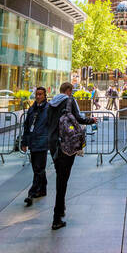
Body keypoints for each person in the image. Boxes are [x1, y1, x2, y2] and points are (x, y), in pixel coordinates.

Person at [45, 82, 87, 230]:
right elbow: (78, 119)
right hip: (66, 144)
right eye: (72, 90)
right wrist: (91, 120)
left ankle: (61, 208)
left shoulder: (51, 103)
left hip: (53, 143)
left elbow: (47, 123)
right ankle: (57, 217)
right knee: (63, 179)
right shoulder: (69, 100)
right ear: (68, 90)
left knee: (60, 175)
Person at [19, 86, 51, 205]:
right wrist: (24, 142)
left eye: (40, 94)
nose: (38, 96)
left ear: (44, 95)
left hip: (42, 142)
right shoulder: (32, 108)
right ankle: (42, 189)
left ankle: (31, 194)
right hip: (33, 142)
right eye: (37, 94)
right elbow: (27, 126)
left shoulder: (48, 109)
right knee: (37, 168)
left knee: (38, 169)